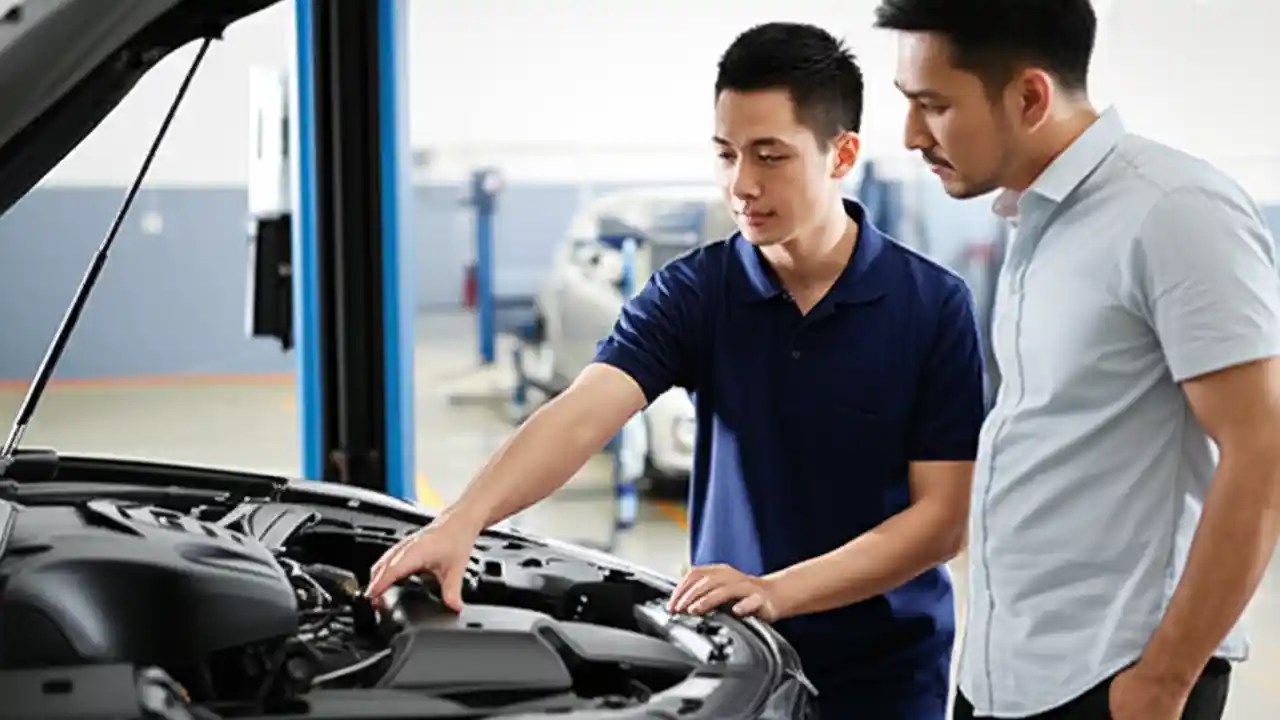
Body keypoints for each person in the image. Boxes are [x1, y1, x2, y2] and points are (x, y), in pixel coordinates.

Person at [366, 22, 987, 718]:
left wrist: (781, 589)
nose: (741, 184)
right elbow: (580, 415)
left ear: (840, 154)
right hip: (735, 659)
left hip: (887, 677)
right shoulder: (697, 294)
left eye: (769, 155)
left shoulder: (931, 307)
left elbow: (941, 520)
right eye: (725, 154)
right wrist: (464, 520)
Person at [872, 1, 1280, 719]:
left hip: (1117, 680)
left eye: (933, 106)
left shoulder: (1173, 209)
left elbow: (1263, 449)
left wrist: (1162, 683)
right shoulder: (1035, 218)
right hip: (1008, 672)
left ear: (1030, 96)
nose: (911, 136)